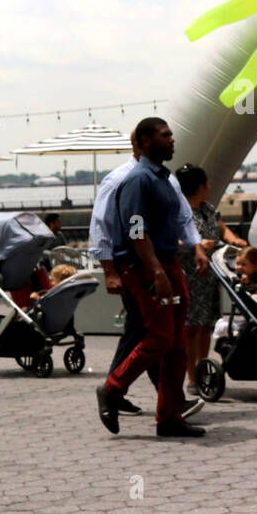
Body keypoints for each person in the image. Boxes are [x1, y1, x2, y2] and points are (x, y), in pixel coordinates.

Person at [95, 117, 209, 438]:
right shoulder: (138, 180)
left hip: (168, 263)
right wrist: (157, 271)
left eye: (172, 134)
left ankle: (169, 418)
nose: (172, 140)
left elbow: (178, 221)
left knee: (176, 343)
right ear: (144, 141)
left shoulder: (163, 177)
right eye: (164, 135)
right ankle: (112, 389)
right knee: (159, 337)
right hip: (146, 266)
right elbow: (135, 230)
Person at [176, 163, 245, 392]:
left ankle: (202, 368)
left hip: (209, 277)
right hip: (188, 276)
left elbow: (222, 229)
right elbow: (172, 244)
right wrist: (193, 246)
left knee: (205, 325)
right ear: (200, 186)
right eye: (207, 183)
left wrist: (233, 240)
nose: (209, 187)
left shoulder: (208, 209)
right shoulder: (178, 212)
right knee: (189, 328)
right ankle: (191, 378)